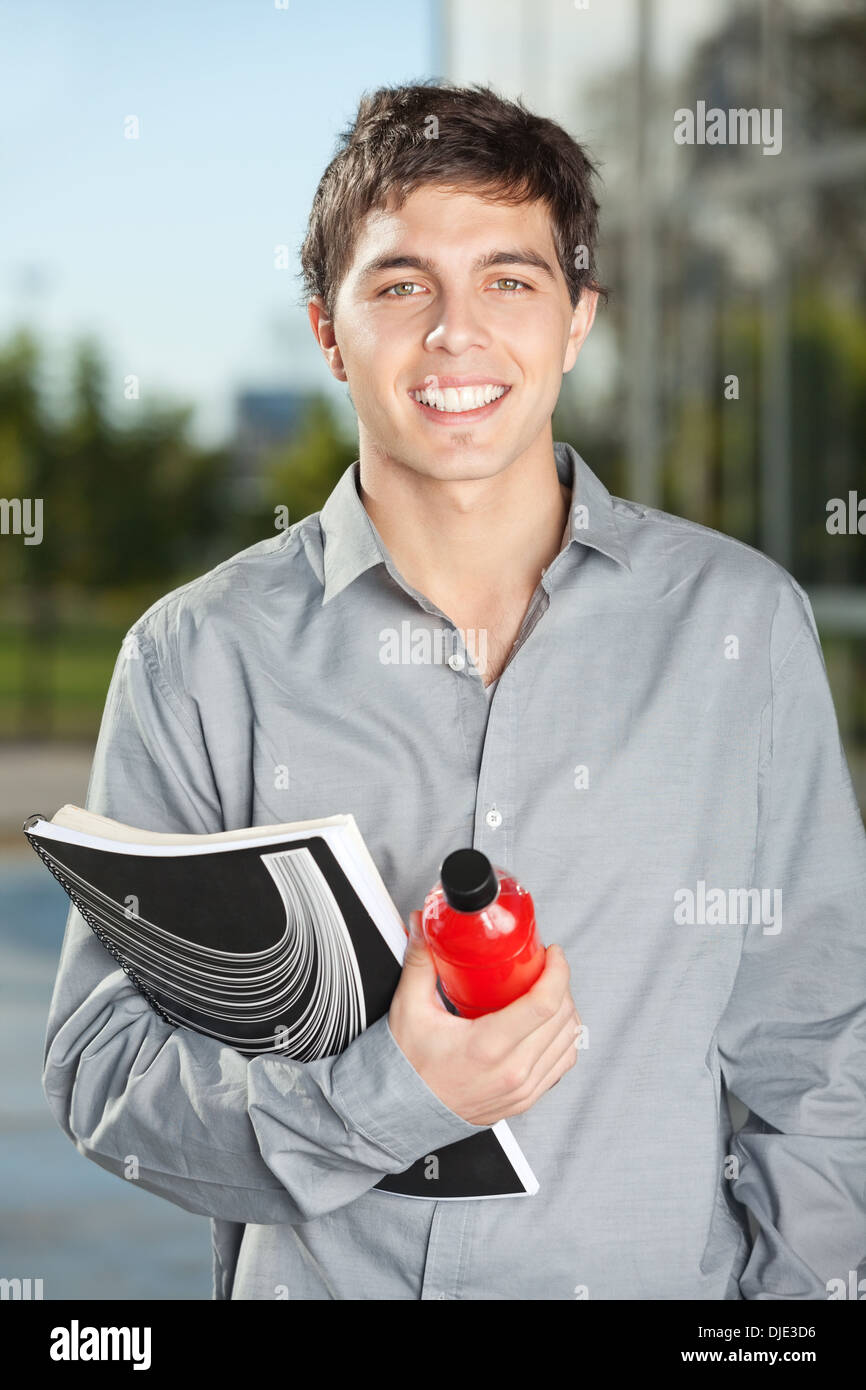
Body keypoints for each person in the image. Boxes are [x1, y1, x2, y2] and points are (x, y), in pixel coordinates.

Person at [43, 80, 866, 1301]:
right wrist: (393, 1096)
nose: (455, 333)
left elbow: (819, 1045)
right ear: (327, 328)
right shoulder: (197, 658)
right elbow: (104, 1073)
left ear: (577, 318)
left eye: (508, 279)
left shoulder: (735, 629)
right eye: (399, 284)